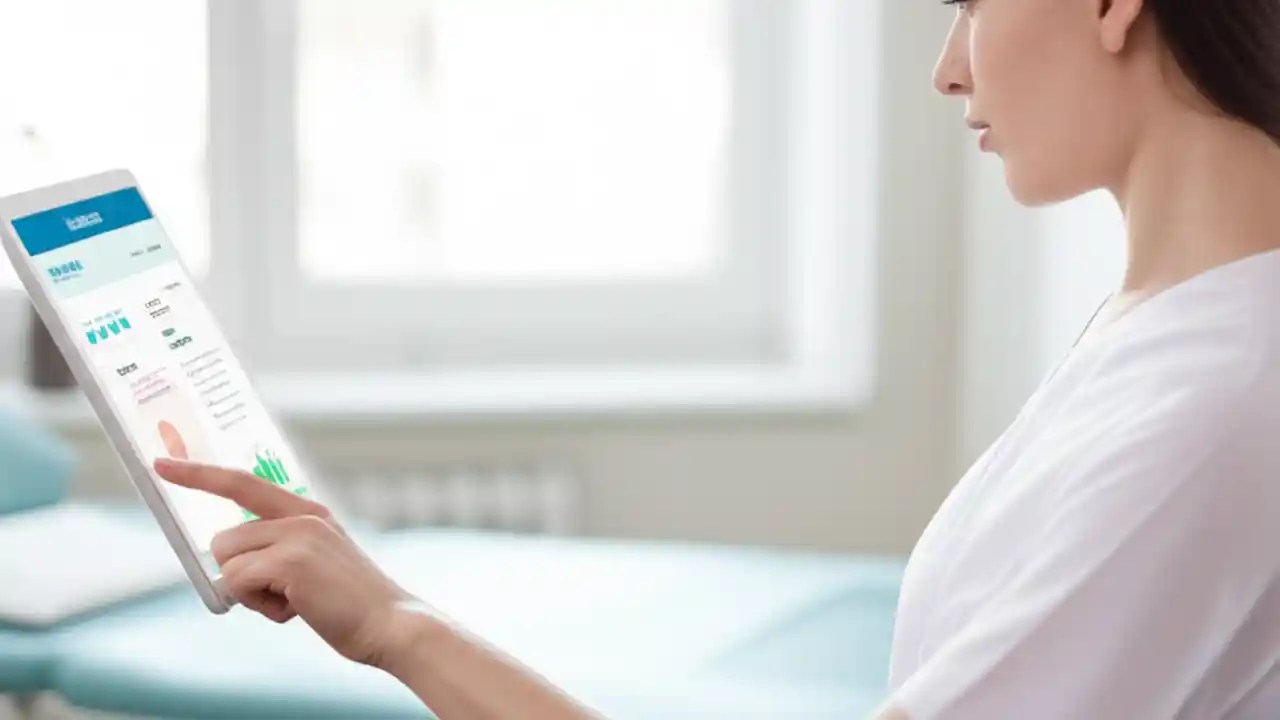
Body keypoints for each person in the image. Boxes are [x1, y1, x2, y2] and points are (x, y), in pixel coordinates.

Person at [154, 0, 1280, 716]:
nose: (946, 68)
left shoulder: (1210, 407)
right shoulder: (1171, 329)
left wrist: (399, 630)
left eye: (967, 2)